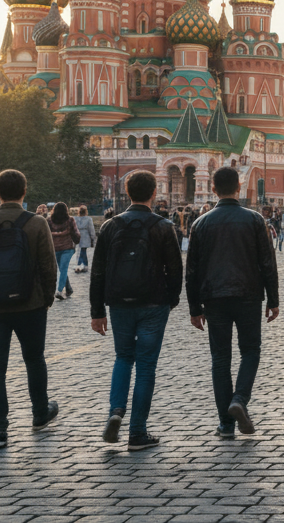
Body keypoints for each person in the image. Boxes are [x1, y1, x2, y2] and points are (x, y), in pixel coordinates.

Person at [0, 169, 60, 449]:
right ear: (24, 192)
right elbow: (48, 266)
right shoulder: (37, 222)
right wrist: (46, 298)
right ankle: (40, 413)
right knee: (34, 359)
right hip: (31, 305)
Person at [89, 170, 183, 450]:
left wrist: (97, 311)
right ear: (154, 193)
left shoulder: (110, 226)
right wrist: (172, 298)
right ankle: (137, 432)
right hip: (154, 302)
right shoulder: (163, 226)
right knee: (145, 367)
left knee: (123, 357)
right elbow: (176, 269)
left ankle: (116, 411)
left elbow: (97, 273)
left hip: (119, 302)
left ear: (127, 193)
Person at [186, 167, 280, 438]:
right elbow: (267, 263)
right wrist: (273, 299)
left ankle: (225, 424)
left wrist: (194, 308)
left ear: (213, 189)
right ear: (239, 187)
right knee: (250, 351)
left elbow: (192, 271)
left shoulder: (200, 223)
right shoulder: (254, 220)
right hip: (248, 295)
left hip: (214, 298)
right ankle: (239, 400)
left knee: (220, 359)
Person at [48, 203, 79, 300]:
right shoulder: (70, 220)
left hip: (55, 247)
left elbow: (46, 233)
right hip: (67, 247)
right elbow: (76, 233)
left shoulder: (49, 221)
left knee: (62, 269)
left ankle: (61, 289)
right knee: (63, 269)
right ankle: (64, 290)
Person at [74, 205, 96, 273]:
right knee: (83, 251)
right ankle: (83, 265)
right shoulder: (88, 219)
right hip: (86, 236)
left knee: (80, 251)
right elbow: (91, 229)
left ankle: (80, 265)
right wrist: (93, 237)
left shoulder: (75, 218)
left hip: (78, 235)